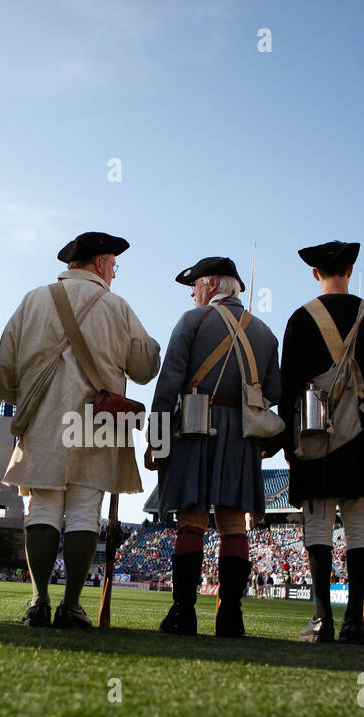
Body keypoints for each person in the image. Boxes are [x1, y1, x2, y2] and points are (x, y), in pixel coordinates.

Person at [0, 231, 160, 627]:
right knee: (86, 510)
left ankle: (38, 602)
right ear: (102, 264)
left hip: (44, 418)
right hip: (98, 418)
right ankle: (72, 606)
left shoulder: (33, 300)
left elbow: (3, 368)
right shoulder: (117, 306)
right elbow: (145, 367)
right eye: (114, 266)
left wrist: (29, 399)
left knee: (44, 507)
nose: (114, 273)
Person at [148, 256, 280, 638]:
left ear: (209, 284)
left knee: (191, 520)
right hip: (241, 434)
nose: (192, 294)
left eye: (194, 286)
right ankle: (230, 617)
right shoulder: (265, 332)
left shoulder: (193, 321)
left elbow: (168, 385)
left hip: (194, 428)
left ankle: (183, 613)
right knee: (234, 525)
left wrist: (157, 439)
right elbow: (274, 392)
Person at [278, 241, 364, 643]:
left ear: (316, 273)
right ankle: (354, 621)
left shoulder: (300, 319)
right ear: (350, 269)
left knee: (318, 520)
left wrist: (288, 440)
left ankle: (322, 620)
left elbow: (288, 389)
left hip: (316, 436)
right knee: (358, 525)